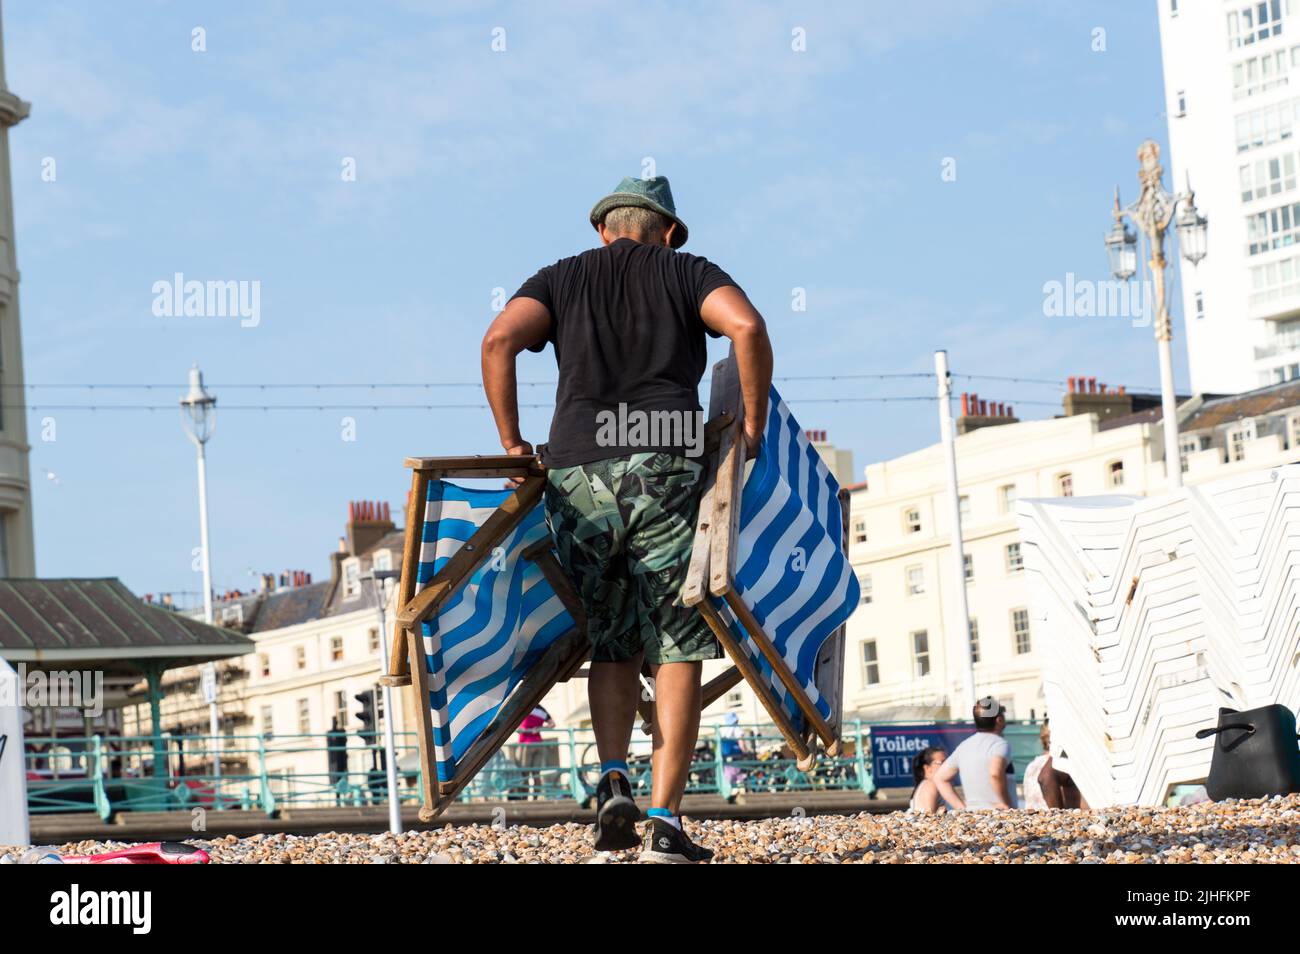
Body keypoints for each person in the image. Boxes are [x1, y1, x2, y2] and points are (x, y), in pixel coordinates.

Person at [482, 175, 773, 862]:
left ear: (603, 229)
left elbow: (498, 341)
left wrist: (512, 442)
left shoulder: (560, 278)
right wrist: (752, 424)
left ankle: (613, 779)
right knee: (675, 643)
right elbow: (749, 327)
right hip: (664, 468)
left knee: (612, 640)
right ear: (668, 230)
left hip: (577, 474)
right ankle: (666, 821)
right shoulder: (687, 271)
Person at [933, 696, 1019, 810]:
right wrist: (1007, 805)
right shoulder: (1000, 744)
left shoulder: (964, 746)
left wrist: (962, 809)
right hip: (1000, 816)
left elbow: (939, 778)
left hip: (974, 816)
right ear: (999, 720)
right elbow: (995, 774)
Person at [513, 704, 556, 799]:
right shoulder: (542, 710)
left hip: (525, 744)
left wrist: (521, 730)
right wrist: (540, 729)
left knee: (524, 774)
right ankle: (535, 799)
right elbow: (552, 724)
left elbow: (516, 728)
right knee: (536, 774)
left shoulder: (523, 706)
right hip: (538, 744)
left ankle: (524, 799)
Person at [908, 746, 950, 813]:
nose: (947, 766)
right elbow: (929, 818)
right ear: (927, 768)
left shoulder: (928, 784)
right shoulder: (931, 785)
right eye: (942, 762)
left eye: (947, 762)